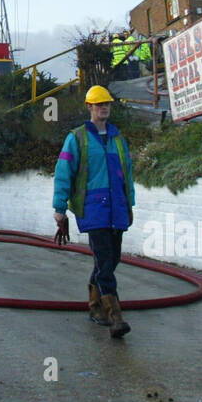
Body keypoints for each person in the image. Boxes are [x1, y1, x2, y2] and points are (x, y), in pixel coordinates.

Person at [52, 84, 135, 339]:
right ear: (89, 107)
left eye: (107, 104)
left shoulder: (117, 138)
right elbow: (64, 171)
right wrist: (60, 207)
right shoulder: (76, 138)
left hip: (117, 207)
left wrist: (129, 202)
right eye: (99, 105)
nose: (104, 108)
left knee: (111, 259)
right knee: (104, 261)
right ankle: (114, 316)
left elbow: (127, 173)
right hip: (93, 208)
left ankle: (94, 304)